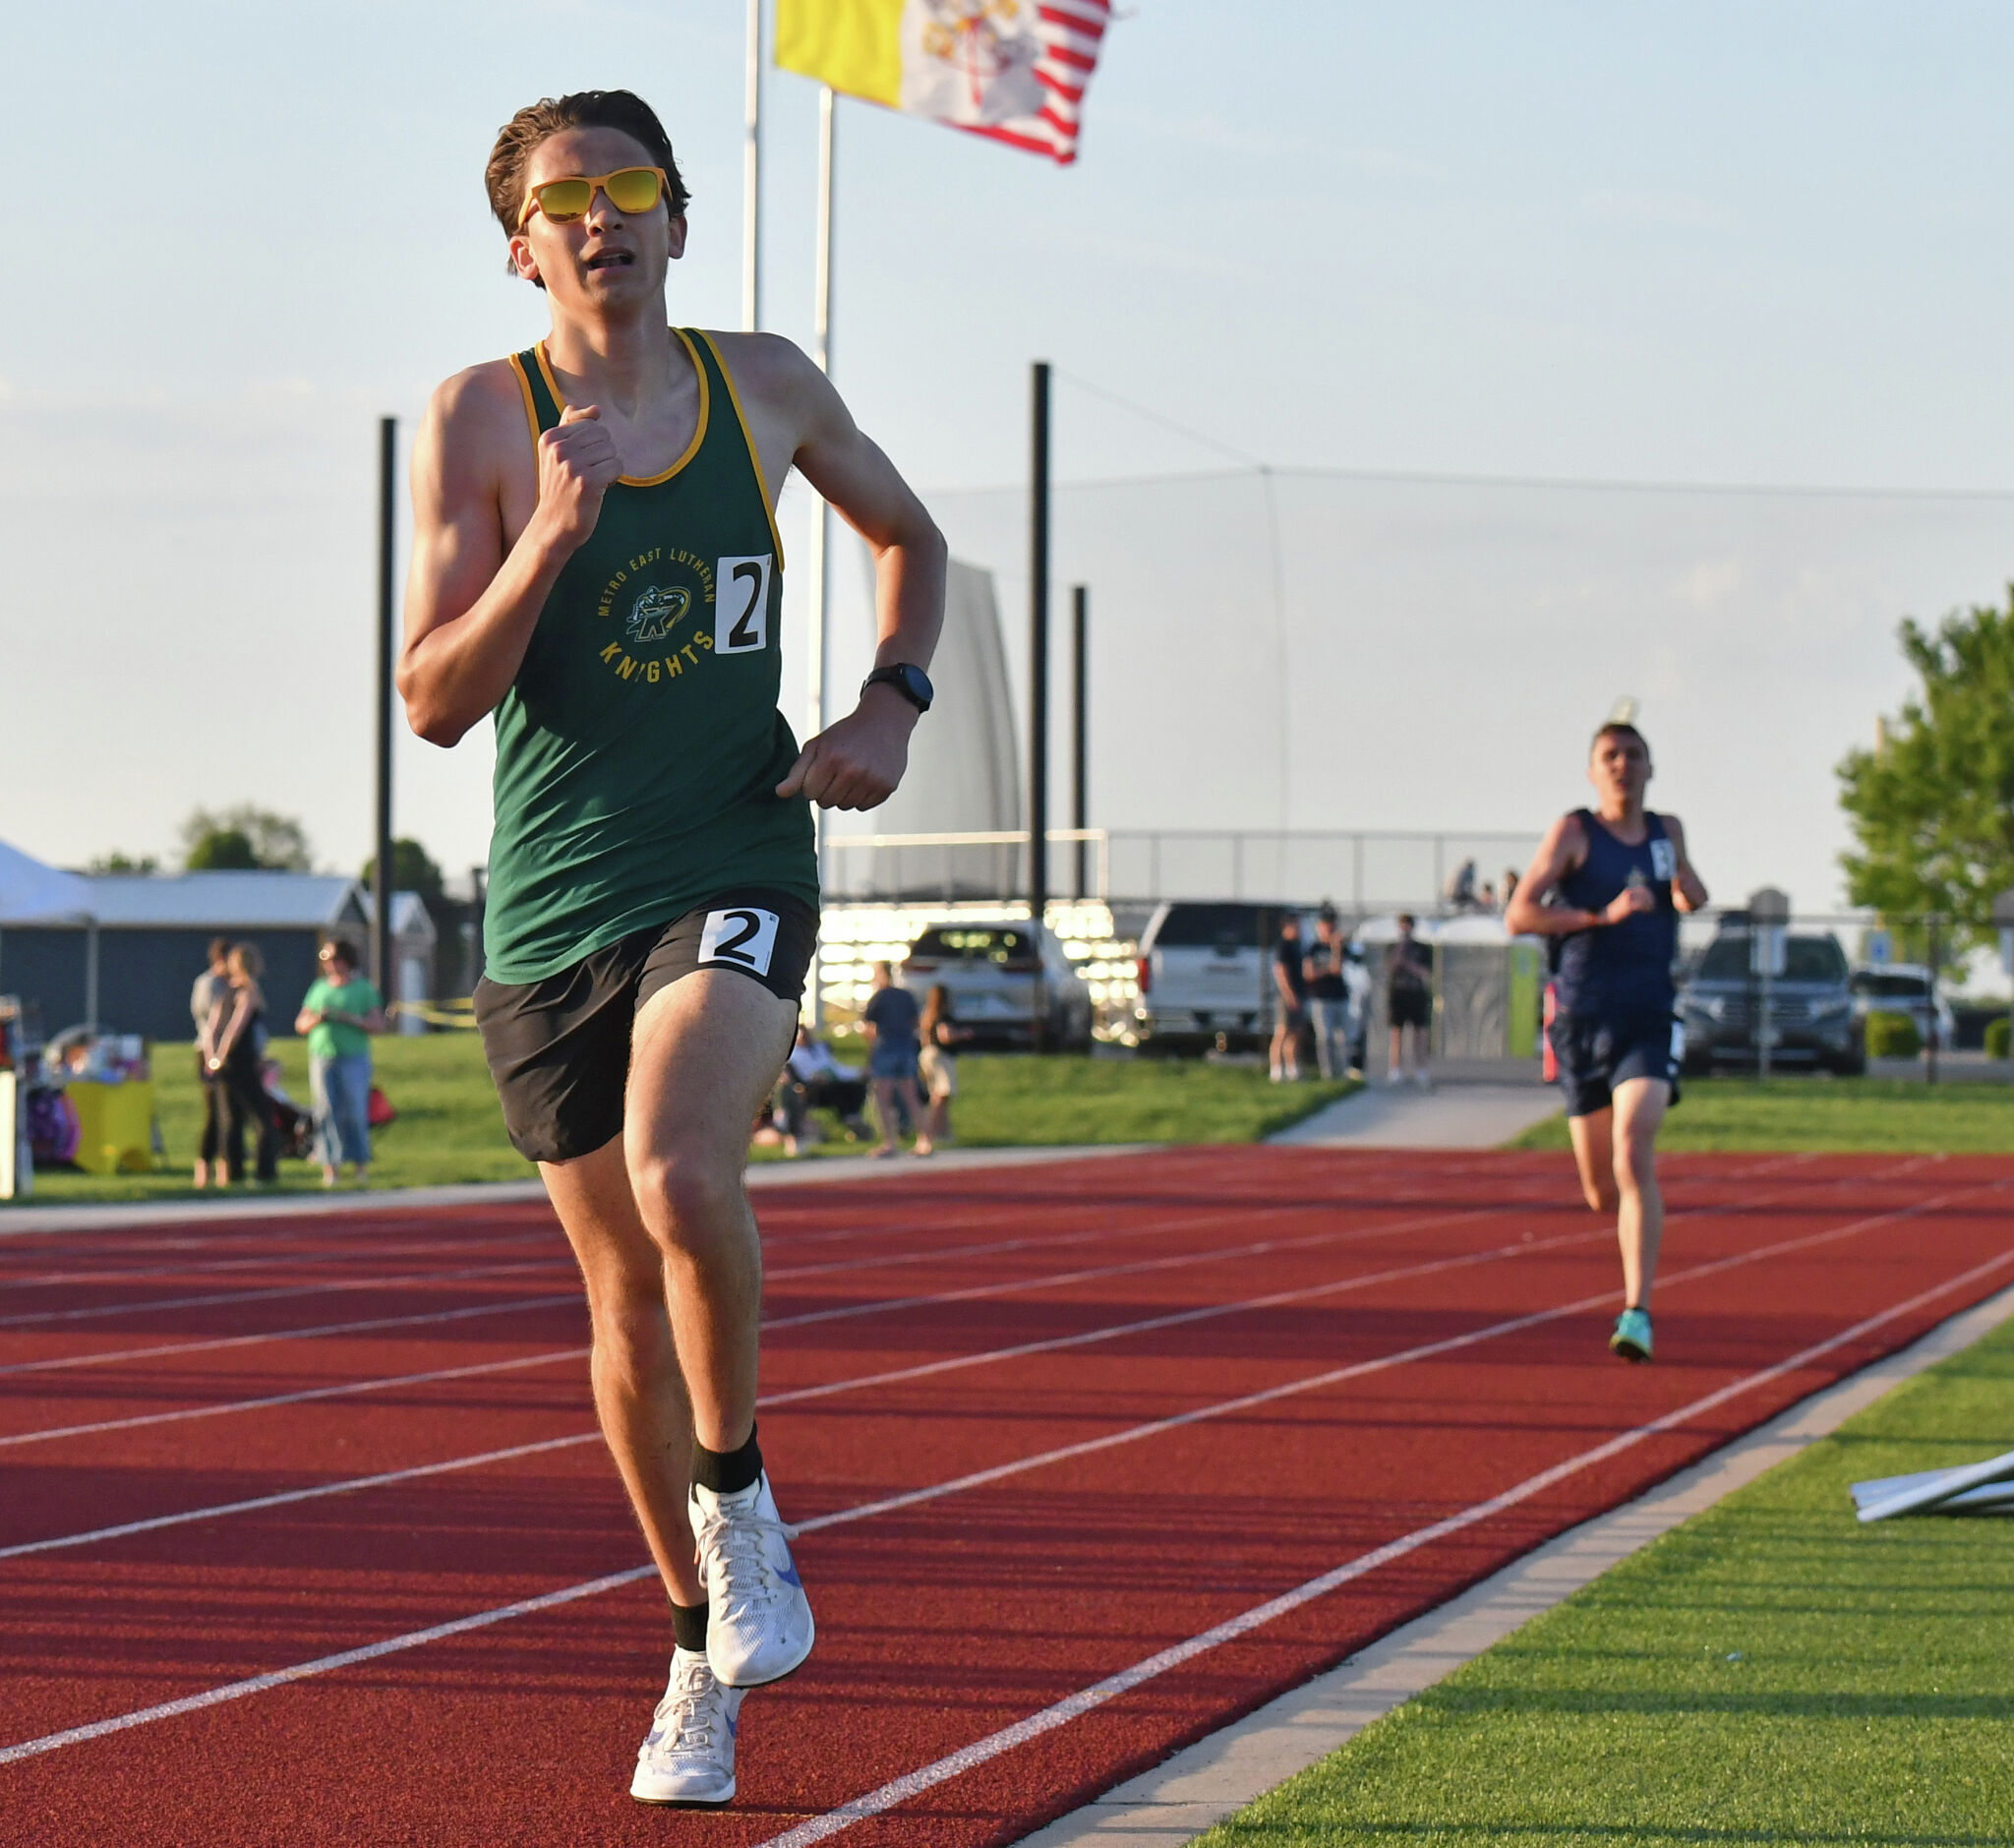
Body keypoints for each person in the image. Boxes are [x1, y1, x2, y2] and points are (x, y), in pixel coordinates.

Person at [396, 89, 944, 1809]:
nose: (603, 217)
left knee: (679, 1167)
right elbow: (431, 698)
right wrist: (549, 541)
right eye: (567, 200)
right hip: (552, 906)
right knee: (620, 1290)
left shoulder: (761, 385)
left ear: (678, 221)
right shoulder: (479, 418)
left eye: (632, 187)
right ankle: (695, 1648)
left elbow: (910, 538)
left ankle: (743, 1496)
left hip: (733, 846)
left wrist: (891, 698)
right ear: (522, 249)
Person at [1505, 720, 1708, 1364]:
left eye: (1634, 755)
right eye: (1610, 756)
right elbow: (1519, 914)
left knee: (1632, 1144)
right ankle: (1633, 1220)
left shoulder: (1666, 831)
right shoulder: (1574, 832)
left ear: (1651, 767)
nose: (1623, 765)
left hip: (1647, 1016)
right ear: (1593, 771)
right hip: (1581, 1019)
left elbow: (1692, 894)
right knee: (1601, 1189)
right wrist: (1602, 914)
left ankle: (1636, 1310)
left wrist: (1686, 890)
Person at [295, 937, 386, 1188]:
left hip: (353, 1057)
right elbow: (300, 1024)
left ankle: (360, 1166)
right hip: (323, 1056)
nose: (328, 963)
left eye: (332, 958)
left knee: (355, 1111)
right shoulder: (319, 988)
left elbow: (378, 1024)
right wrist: (318, 1018)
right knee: (325, 1111)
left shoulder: (363, 989)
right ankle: (330, 1166)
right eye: (324, 958)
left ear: (345, 959)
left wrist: (351, 1019)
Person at [205, 943, 280, 1185]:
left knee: (232, 1120)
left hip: (225, 1065)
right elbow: (235, 1028)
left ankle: (234, 1174)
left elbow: (211, 1029)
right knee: (263, 1118)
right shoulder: (249, 991)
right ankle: (264, 1173)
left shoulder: (226, 992)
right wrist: (222, 1055)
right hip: (240, 1061)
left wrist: (212, 1058)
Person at [861, 962, 931, 1157]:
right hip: (906, 1048)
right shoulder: (905, 995)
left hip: (886, 1048)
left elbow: (868, 1027)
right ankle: (925, 1141)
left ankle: (890, 1142)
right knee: (912, 1097)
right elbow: (916, 1022)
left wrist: (870, 1055)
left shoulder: (879, 997)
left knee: (883, 1099)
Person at [771, 1024, 869, 1155]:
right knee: (831, 1089)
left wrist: (857, 1073)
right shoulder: (793, 1055)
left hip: (831, 1082)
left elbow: (836, 1068)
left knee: (856, 1086)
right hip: (811, 1089)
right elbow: (799, 1078)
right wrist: (815, 1078)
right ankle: (848, 1116)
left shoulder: (820, 1049)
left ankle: (852, 1116)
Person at [190, 937, 233, 1189]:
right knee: (215, 1113)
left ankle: (226, 1169)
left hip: (230, 1052)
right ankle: (204, 1169)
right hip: (209, 1052)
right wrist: (211, 1057)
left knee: (228, 1115)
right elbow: (209, 1023)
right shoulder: (208, 984)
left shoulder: (233, 984)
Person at [917, 983, 973, 1146]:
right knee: (942, 1095)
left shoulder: (927, 1015)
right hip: (941, 1055)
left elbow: (924, 1039)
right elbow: (945, 1036)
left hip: (927, 1054)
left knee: (936, 1094)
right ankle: (935, 1131)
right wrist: (962, 1034)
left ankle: (942, 1131)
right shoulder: (943, 1016)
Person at [1302, 906, 1352, 1082]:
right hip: (1321, 998)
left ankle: (1343, 1071)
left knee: (1342, 1038)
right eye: (1326, 925)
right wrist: (1327, 970)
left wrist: (1336, 948)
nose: (1329, 928)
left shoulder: (1340, 948)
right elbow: (1308, 974)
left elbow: (1337, 970)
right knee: (1325, 1037)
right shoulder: (1313, 948)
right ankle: (1328, 1073)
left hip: (1340, 997)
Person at [1385, 914, 1433, 1088]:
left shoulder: (1422, 949)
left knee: (1420, 1033)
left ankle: (1421, 1070)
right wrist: (1398, 960)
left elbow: (1426, 973)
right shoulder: (1392, 947)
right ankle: (1395, 1069)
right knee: (1396, 1033)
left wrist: (1409, 965)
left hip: (1416, 993)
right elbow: (1389, 969)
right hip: (1398, 993)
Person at [1269, 913, 1308, 1083]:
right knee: (1282, 1032)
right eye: (1296, 926)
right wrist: (1290, 995)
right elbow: (1280, 973)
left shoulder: (1297, 945)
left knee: (1296, 1033)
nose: (1299, 929)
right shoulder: (1283, 946)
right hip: (1287, 996)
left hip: (1299, 994)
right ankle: (1276, 1070)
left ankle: (1292, 1069)